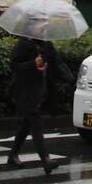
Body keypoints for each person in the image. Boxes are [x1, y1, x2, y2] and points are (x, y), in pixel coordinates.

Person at [8, 35, 64, 175]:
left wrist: (70, 79)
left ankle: (12, 156)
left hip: (40, 92)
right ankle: (45, 160)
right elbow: (14, 66)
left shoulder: (47, 45)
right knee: (36, 122)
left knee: (26, 125)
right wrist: (33, 63)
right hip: (25, 91)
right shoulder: (23, 45)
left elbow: (57, 64)